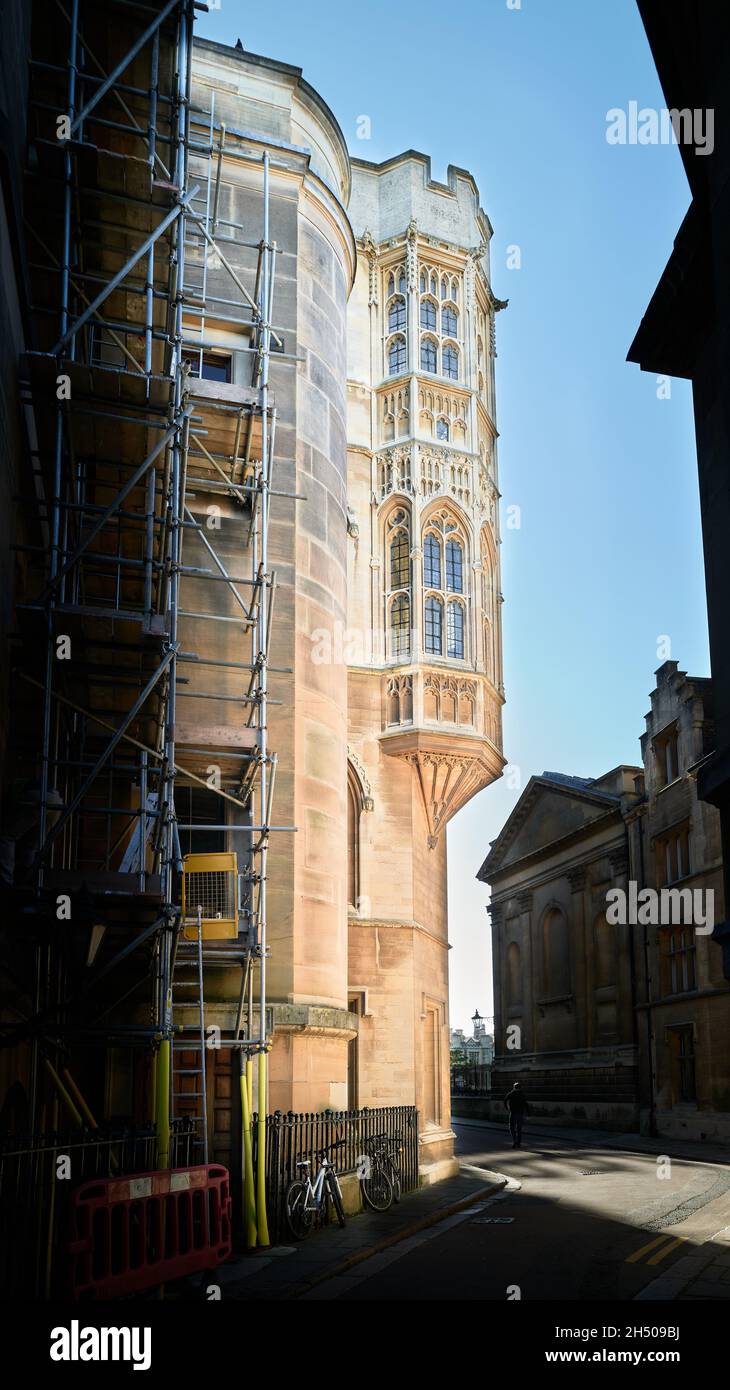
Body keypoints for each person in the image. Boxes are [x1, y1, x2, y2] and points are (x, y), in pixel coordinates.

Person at [503, 1082, 529, 1148]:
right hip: (520, 1113)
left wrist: (507, 1108)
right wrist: (528, 1113)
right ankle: (519, 1143)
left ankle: (515, 1141)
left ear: (514, 1087)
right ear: (520, 1087)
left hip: (513, 1113)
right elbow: (526, 1104)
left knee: (512, 1128)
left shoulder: (511, 1093)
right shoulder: (522, 1094)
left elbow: (505, 1100)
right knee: (519, 1129)